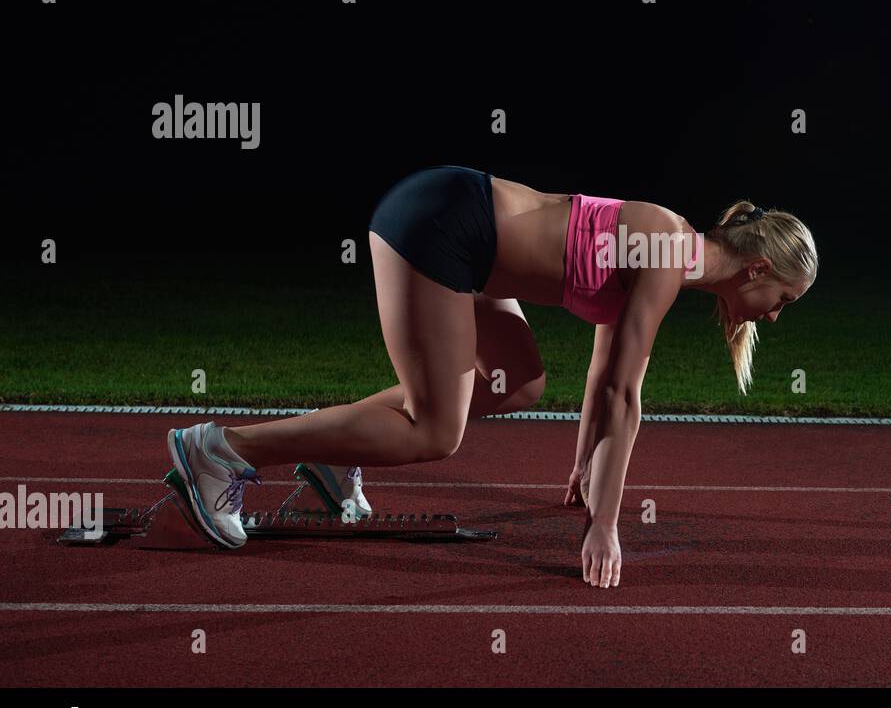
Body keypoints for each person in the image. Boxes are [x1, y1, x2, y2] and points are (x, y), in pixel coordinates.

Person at [165, 165, 817, 587]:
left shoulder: (666, 249)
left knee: (516, 378)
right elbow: (624, 392)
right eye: (784, 300)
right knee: (435, 429)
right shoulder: (669, 249)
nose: (776, 317)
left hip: (458, 227)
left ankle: (331, 467)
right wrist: (606, 523)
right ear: (757, 269)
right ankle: (222, 450)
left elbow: (603, 373)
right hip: (443, 224)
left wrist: (584, 462)